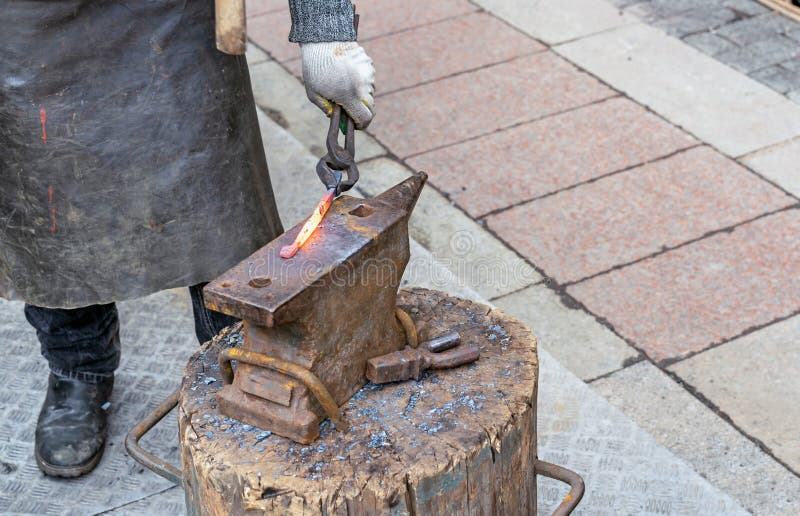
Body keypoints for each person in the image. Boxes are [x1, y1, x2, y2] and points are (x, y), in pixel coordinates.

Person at [0, 0, 375, 478]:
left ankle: (245, 368)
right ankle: (77, 367)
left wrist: (325, 32)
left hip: (172, 19)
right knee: (49, 201)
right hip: (22, 27)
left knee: (216, 209)